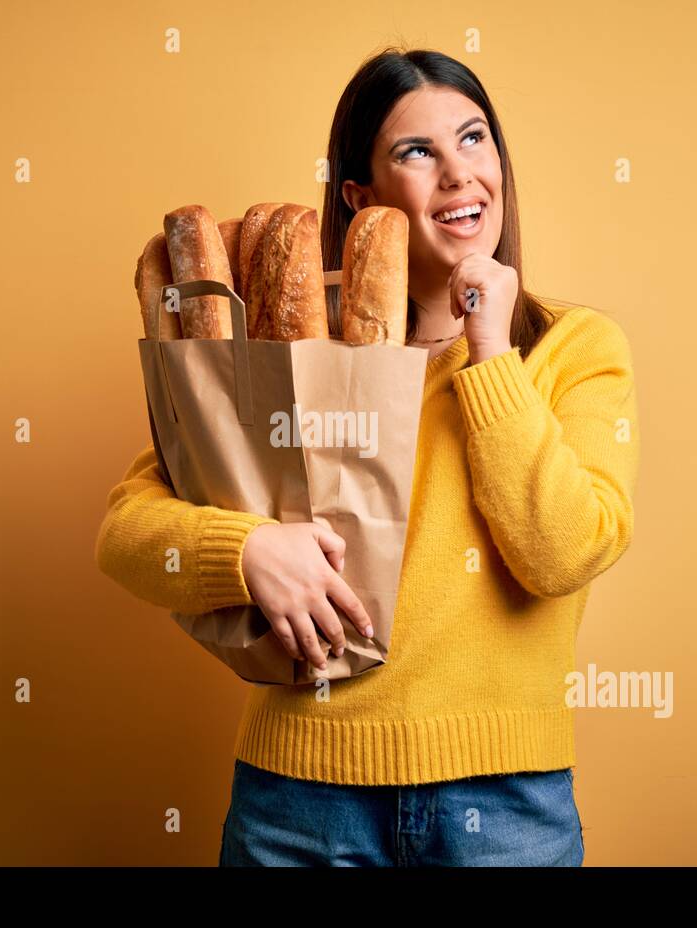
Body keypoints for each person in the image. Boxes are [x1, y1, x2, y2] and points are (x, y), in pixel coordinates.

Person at [96, 47, 640, 866]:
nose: (460, 175)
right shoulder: (292, 354)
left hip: (507, 808)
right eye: (417, 153)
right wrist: (245, 552)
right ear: (362, 197)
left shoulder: (573, 349)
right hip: (298, 802)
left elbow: (562, 552)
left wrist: (490, 355)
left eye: (474, 139)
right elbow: (127, 534)